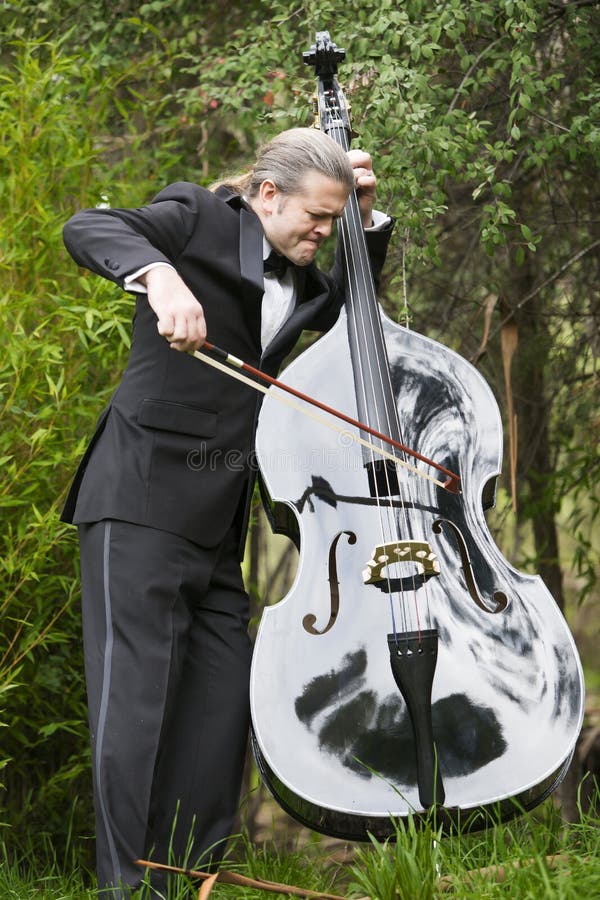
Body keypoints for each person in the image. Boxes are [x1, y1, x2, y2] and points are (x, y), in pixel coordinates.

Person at [61, 127, 393, 898]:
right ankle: (125, 887)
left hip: (220, 518)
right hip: (138, 500)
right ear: (267, 194)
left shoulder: (308, 274)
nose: (321, 232)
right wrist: (157, 278)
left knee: (219, 706)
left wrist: (364, 226)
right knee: (134, 706)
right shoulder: (196, 216)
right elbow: (89, 227)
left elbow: (355, 319)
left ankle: (188, 876)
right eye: (317, 216)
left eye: (332, 220)